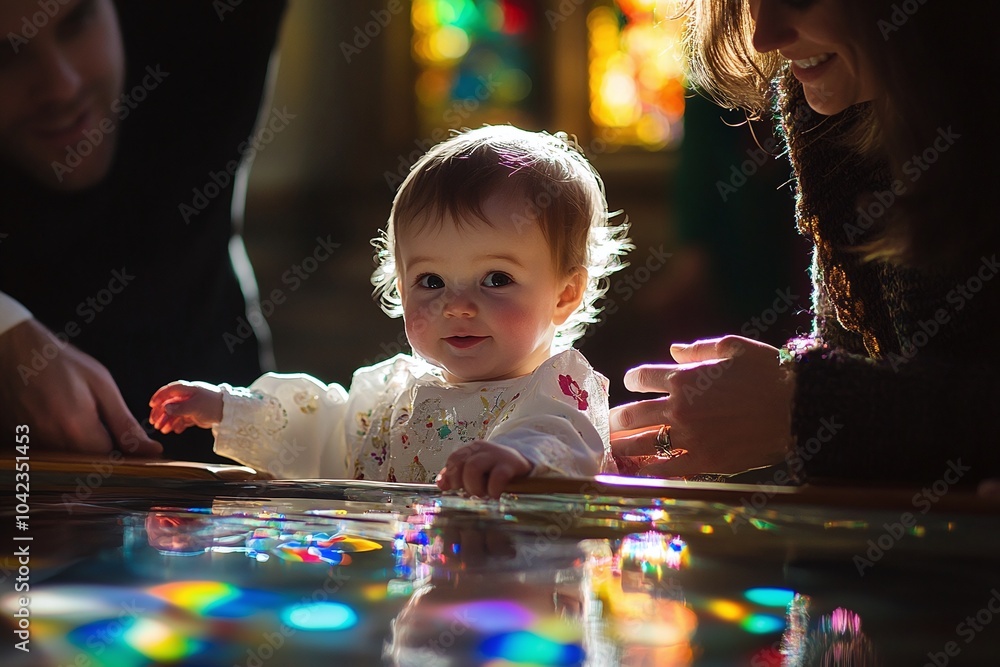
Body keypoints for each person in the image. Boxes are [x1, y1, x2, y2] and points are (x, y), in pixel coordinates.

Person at [610, 0, 1000, 485]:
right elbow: (859, 352)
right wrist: (778, 403)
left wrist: (804, 409)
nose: (763, 38)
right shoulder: (830, 109)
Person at [148, 125, 632, 497]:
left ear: (565, 295)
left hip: (519, 599)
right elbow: (324, 435)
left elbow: (561, 437)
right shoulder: (392, 394)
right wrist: (229, 408)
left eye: (497, 279)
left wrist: (513, 455)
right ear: (401, 289)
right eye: (431, 281)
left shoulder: (557, 390)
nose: (457, 305)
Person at [0, 1, 285, 459]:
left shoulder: (213, 26)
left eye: (76, 23)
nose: (61, 85)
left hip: (228, 454)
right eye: (6, 57)